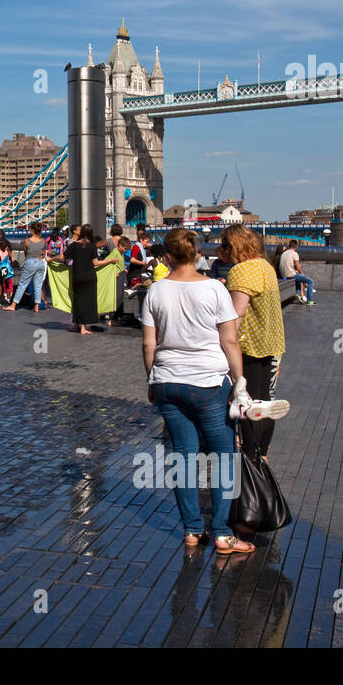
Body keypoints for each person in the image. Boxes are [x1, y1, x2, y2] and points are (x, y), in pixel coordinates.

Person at [140, 228, 252, 555]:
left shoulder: (156, 291)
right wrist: (240, 381)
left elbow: (149, 342)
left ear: (168, 256)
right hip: (209, 383)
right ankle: (220, 532)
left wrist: (152, 380)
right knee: (223, 459)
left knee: (184, 455)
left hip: (168, 382)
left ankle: (191, 529)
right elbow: (229, 340)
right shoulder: (215, 289)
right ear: (197, 254)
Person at [221, 225, 292, 460]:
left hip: (248, 344)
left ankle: (250, 451)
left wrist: (224, 343)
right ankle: (262, 449)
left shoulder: (241, 271)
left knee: (247, 399)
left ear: (235, 246)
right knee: (264, 398)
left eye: (226, 246)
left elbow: (237, 314)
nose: (224, 251)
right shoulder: (265, 266)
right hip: (269, 341)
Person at [65, 224, 117, 334]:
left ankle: (75, 325)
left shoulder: (74, 245)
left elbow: (63, 257)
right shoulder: (92, 246)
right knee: (86, 302)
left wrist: (50, 259)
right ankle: (83, 328)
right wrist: (110, 260)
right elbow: (95, 262)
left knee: (77, 301)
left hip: (77, 277)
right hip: (89, 278)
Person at [2, 222, 50, 312]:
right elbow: (44, 253)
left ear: (32, 230)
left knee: (22, 284)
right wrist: (39, 258)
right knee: (38, 286)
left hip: (30, 261)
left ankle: (13, 305)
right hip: (40, 263)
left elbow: (26, 253)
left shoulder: (27, 241)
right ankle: (36, 306)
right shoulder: (44, 241)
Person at [278, 239, 315, 305]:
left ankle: (298, 294)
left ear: (289, 245)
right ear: (296, 246)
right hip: (291, 275)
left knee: (299, 279)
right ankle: (310, 301)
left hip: (284, 275)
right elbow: (298, 268)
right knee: (310, 281)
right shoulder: (294, 253)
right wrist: (302, 273)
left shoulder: (284, 253)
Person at [0, 238, 14, 304]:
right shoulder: (1, 250)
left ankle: (4, 296)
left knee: (3, 282)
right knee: (5, 283)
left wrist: (8, 251)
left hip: (3, 267)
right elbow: (8, 258)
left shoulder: (1, 250)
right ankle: (5, 297)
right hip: (4, 268)